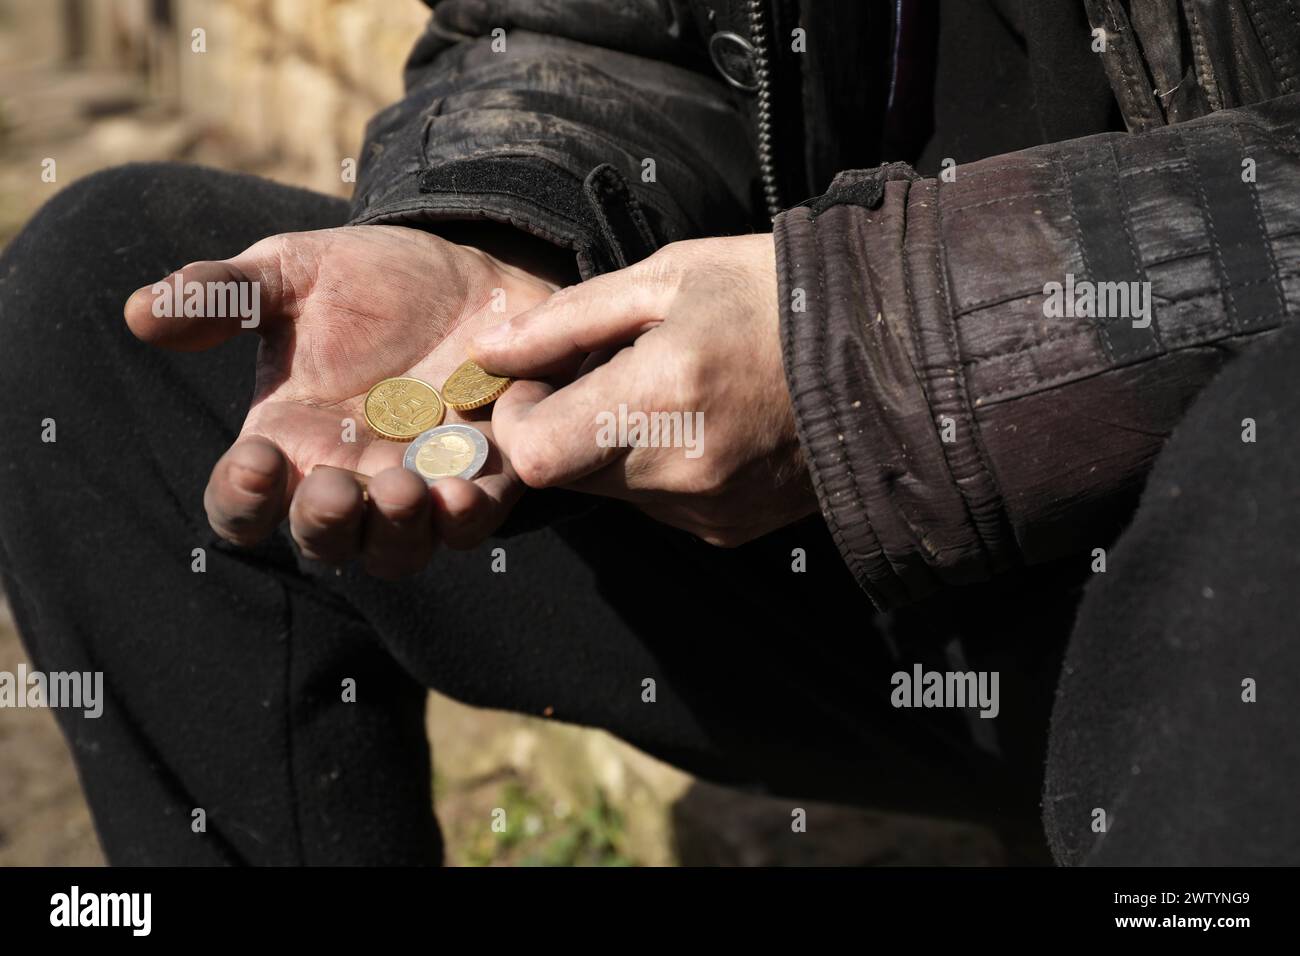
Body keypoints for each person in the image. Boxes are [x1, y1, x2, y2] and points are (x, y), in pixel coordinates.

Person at [1, 0, 1297, 866]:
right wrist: (492, 229)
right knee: (95, 293)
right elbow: (590, 27)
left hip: (1224, 599)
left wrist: (875, 345)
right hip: (861, 550)